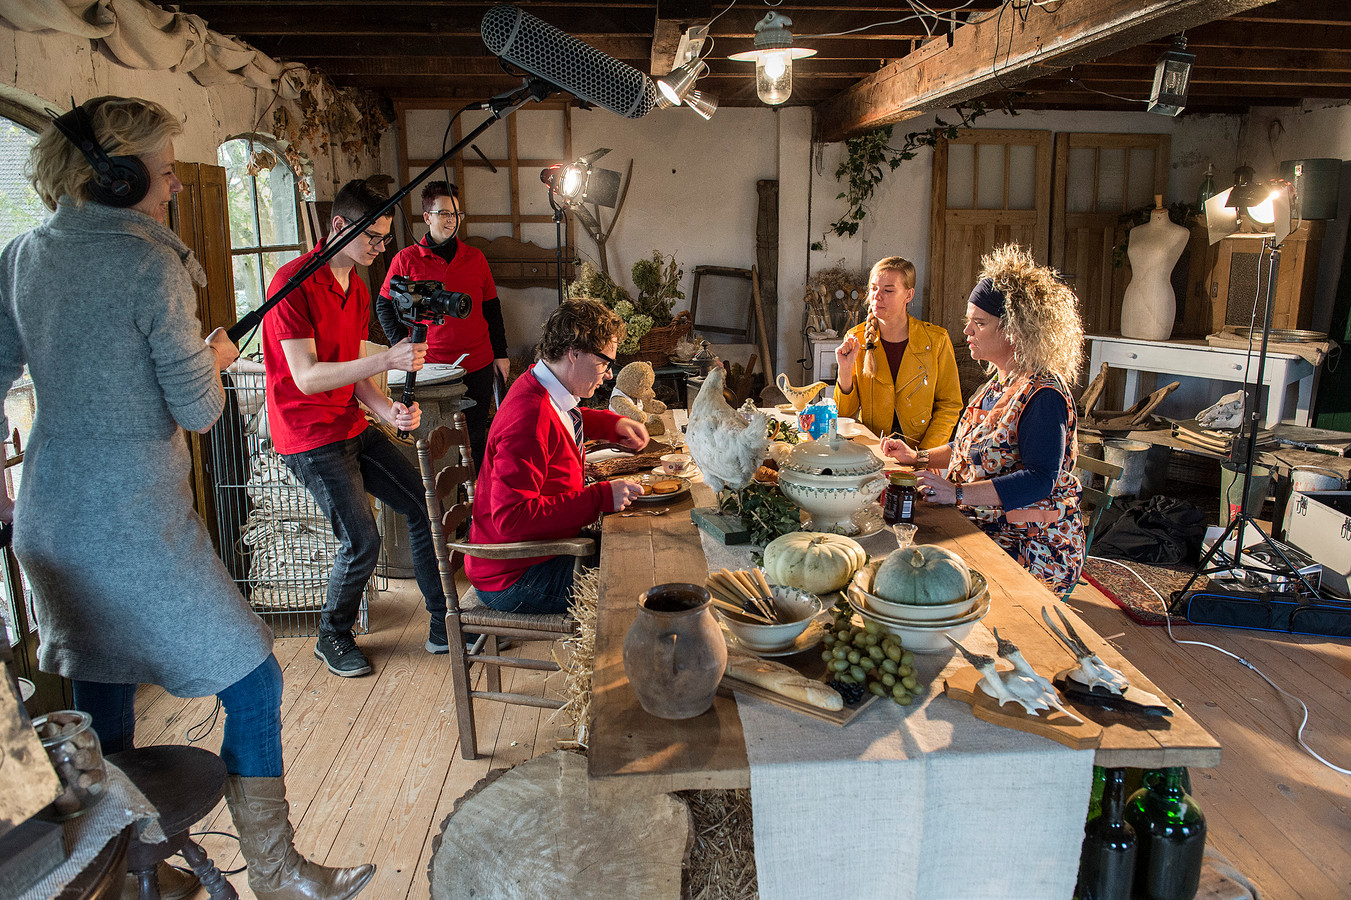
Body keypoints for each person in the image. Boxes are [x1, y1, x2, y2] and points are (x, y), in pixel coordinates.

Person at [0, 96, 373, 900]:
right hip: (131, 518)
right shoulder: (148, 263)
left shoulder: (23, 253)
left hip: (52, 513)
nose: (171, 188)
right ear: (119, 174)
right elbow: (200, 411)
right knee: (253, 680)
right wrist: (216, 350)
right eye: (165, 173)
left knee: (103, 693)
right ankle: (275, 872)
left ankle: (131, 868)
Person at [262, 178, 449, 674]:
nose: (380, 247)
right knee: (362, 539)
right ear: (339, 226)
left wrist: (384, 410)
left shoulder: (357, 286)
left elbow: (350, 369)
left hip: (348, 420)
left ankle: (441, 622)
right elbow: (306, 377)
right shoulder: (291, 283)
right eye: (373, 237)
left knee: (421, 505)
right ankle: (332, 635)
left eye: (385, 238)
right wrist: (387, 359)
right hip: (308, 435)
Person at [879, 244, 1087, 595]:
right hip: (981, 523)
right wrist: (918, 458)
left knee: (919, 575)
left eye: (979, 323)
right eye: (968, 322)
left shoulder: (1043, 395)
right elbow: (968, 448)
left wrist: (957, 492)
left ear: (1016, 330)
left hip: (1028, 544)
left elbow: (1040, 480)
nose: (968, 332)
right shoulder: (998, 382)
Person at [466, 299, 648, 613]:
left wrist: (611, 424)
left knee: (639, 544)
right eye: (605, 362)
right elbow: (512, 518)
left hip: (537, 552)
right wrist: (599, 498)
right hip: (515, 575)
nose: (608, 374)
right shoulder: (528, 417)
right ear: (574, 353)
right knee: (637, 577)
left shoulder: (539, 387)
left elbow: (563, 420)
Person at [376, 180, 508, 470]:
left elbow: (492, 309)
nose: (452, 221)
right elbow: (383, 304)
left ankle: (476, 498)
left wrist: (501, 354)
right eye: (445, 213)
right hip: (431, 368)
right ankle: (446, 500)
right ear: (427, 217)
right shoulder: (406, 259)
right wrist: (401, 343)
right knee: (437, 439)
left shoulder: (475, 258)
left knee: (474, 434)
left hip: (478, 362)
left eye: (457, 214)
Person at [833, 256, 962, 448]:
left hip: (920, 449)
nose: (877, 296)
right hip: (872, 449)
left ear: (908, 295)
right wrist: (845, 370)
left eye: (888, 290)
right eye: (874, 288)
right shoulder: (856, 338)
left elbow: (949, 406)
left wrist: (925, 455)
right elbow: (844, 415)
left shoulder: (937, 340)